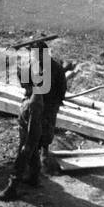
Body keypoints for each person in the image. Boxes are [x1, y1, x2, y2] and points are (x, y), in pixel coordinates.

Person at [0, 76, 45, 201]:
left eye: (21, 79)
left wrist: (27, 144)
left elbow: (33, 125)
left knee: (21, 160)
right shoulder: (31, 93)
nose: (19, 82)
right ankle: (34, 179)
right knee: (33, 156)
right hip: (27, 131)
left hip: (30, 134)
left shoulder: (34, 101)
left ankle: (11, 189)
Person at [37, 43, 69, 174]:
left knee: (47, 129)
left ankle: (44, 155)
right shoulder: (35, 66)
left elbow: (62, 87)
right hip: (37, 104)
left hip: (49, 105)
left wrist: (56, 103)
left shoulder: (55, 68)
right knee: (35, 128)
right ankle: (36, 153)